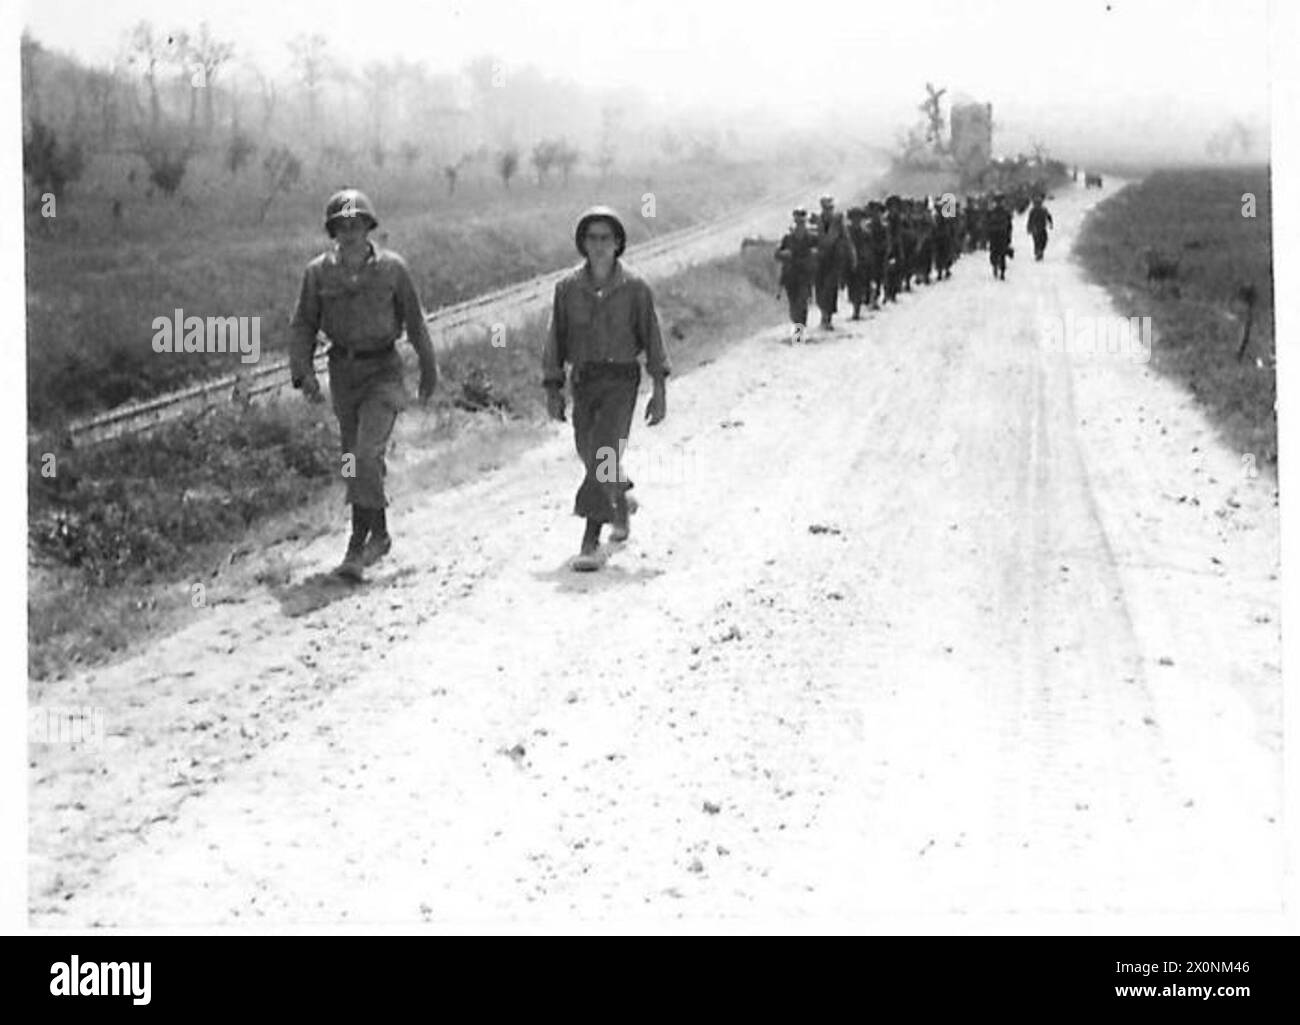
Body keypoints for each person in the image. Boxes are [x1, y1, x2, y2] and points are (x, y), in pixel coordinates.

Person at [290, 188, 438, 582]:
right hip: (344, 372)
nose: (350, 232)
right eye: (342, 226)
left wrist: (428, 367)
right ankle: (381, 532)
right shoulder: (318, 273)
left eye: (357, 225)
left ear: (369, 227)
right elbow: (304, 323)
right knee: (353, 460)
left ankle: (358, 541)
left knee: (366, 454)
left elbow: (415, 321)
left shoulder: (393, 269)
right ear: (332, 231)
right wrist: (303, 372)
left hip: (384, 371)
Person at [542, 206, 671, 572]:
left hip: (620, 381)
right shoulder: (567, 289)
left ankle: (590, 538)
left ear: (617, 244)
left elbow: (652, 338)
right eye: (592, 238)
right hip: (584, 380)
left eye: (605, 238)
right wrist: (552, 387)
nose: (598, 245)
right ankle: (619, 500)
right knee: (589, 451)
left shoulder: (635, 288)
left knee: (602, 451)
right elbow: (556, 339)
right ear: (583, 244)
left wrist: (659, 389)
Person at [776, 207, 818, 337]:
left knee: (802, 303)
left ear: (805, 222)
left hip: (805, 275)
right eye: (797, 220)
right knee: (793, 305)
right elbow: (777, 254)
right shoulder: (788, 238)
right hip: (791, 276)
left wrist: (815, 253)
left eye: (802, 221)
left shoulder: (811, 237)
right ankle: (798, 328)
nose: (799, 223)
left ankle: (799, 334)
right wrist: (784, 254)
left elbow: (821, 250)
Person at [986, 191, 1014, 280]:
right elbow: (987, 224)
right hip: (995, 235)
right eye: (998, 201)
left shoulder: (1005, 212)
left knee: (1001, 254)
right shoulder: (992, 212)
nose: (999, 203)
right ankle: (996, 266)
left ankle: (1001, 271)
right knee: (996, 253)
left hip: (1001, 235)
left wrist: (1008, 236)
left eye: (1000, 201)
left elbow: (1009, 225)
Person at [1027, 193, 1054, 261]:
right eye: (1036, 203)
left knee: (1043, 240)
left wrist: (1050, 224)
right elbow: (1030, 220)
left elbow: (1048, 216)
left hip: (1042, 228)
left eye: (1039, 203)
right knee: (1037, 241)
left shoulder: (1043, 210)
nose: (1038, 205)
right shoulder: (1032, 211)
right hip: (1035, 229)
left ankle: (1040, 251)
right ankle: (1038, 252)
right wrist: (1029, 228)